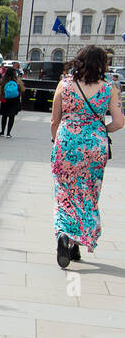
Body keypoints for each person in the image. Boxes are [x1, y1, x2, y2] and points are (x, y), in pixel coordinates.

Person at [50, 45, 125, 267]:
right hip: (95, 147)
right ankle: (77, 245)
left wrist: (58, 141)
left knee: (65, 192)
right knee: (88, 194)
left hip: (67, 143)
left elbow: (55, 119)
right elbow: (119, 122)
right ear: (103, 64)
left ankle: (64, 234)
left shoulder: (65, 85)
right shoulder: (110, 88)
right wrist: (100, 131)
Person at [0, 65, 24, 137]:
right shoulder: (17, 80)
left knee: (4, 116)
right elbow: (22, 90)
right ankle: (8, 133)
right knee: (11, 116)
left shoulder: (3, 81)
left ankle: (2, 132)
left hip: (5, 100)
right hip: (15, 100)